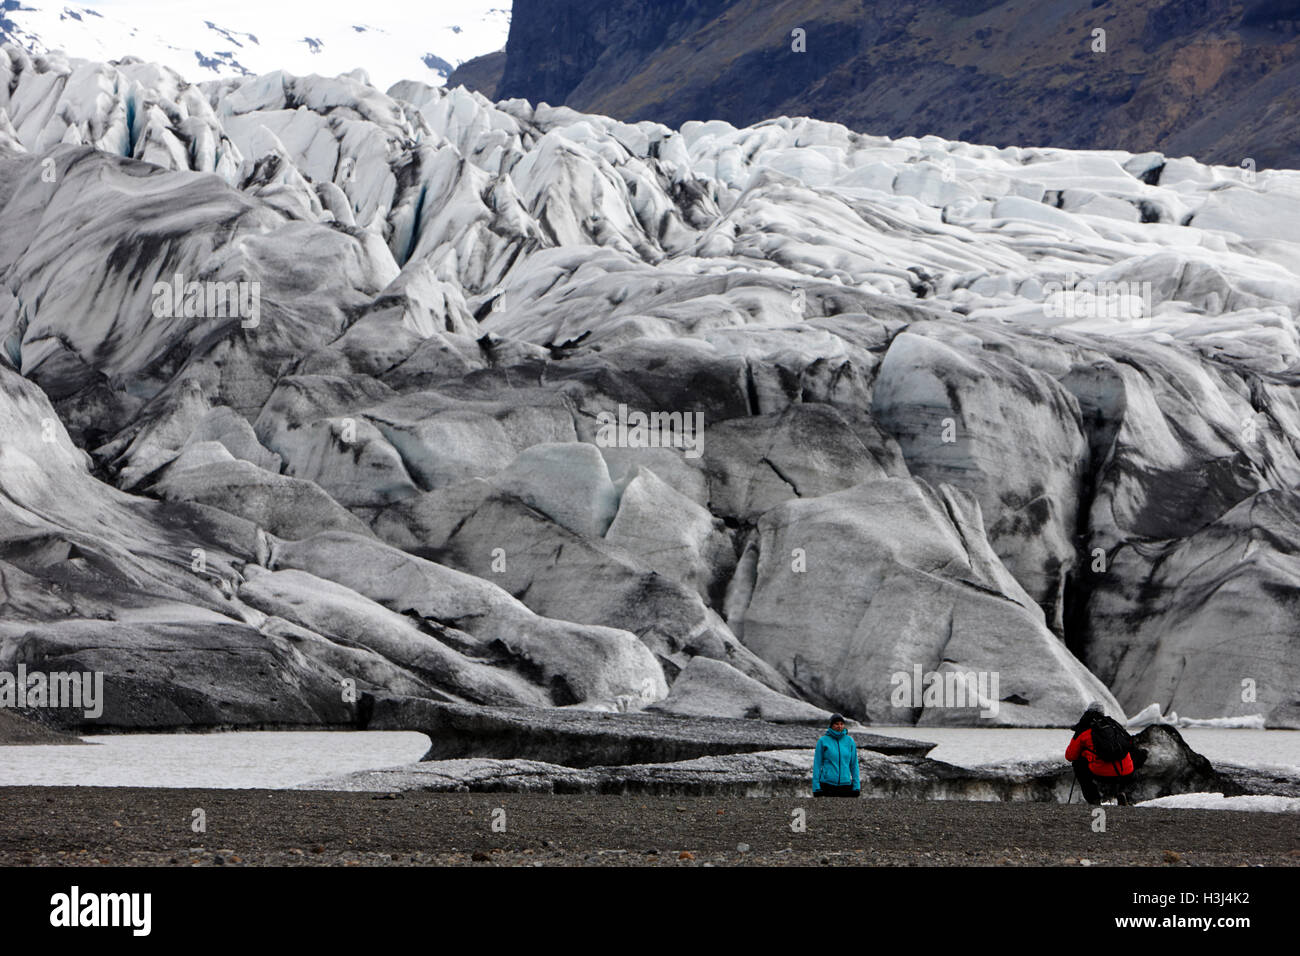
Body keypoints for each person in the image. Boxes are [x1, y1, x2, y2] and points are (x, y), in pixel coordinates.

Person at [1065, 701, 1139, 805]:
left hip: (1102, 773)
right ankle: (1120, 793)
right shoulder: (1114, 726)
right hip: (1127, 772)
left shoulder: (1084, 730)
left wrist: (1085, 753)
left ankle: (1094, 799)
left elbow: (1070, 756)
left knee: (1078, 764)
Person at [812, 713, 860, 798]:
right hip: (827, 785)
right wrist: (816, 787)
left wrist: (856, 786)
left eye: (841, 724)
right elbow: (817, 765)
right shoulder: (823, 741)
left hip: (846, 785)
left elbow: (854, 765)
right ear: (831, 725)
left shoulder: (850, 741)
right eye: (836, 724)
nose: (839, 726)